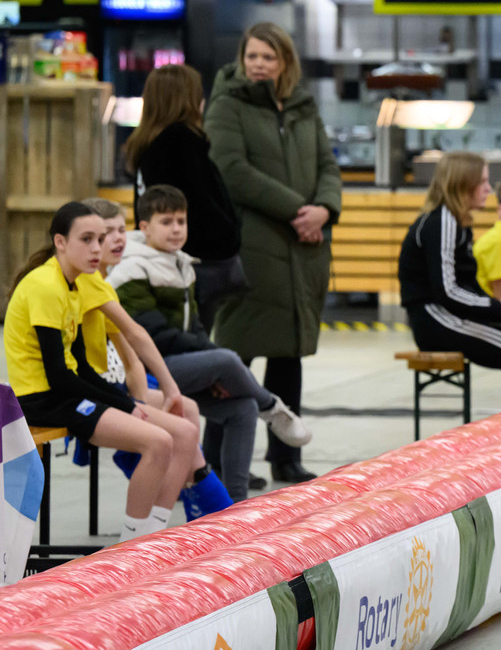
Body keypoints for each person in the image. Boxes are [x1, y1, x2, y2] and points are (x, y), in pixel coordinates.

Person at [4, 202, 200, 542]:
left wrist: (127, 401)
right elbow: (59, 377)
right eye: (87, 239)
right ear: (61, 242)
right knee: (158, 441)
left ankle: (154, 538)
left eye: (101, 238)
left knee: (182, 433)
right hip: (41, 400)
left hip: (67, 394)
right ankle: (133, 546)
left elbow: (81, 369)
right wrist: (126, 406)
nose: (97, 248)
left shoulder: (75, 286)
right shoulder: (46, 286)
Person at [107, 185, 312, 502]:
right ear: (144, 227)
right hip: (145, 373)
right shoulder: (132, 268)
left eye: (181, 221)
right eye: (167, 222)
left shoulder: (183, 264)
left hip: (178, 368)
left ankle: (235, 503)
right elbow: (156, 336)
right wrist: (212, 363)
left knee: (241, 407)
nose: (176, 229)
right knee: (228, 360)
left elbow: (196, 329)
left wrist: (209, 365)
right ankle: (271, 407)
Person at [205, 21, 341, 484]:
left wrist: (324, 209)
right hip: (255, 247)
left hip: (303, 249)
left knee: (289, 354)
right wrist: (297, 210)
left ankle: (285, 456)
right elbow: (230, 169)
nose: (259, 65)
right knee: (235, 357)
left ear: (285, 62)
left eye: (268, 57)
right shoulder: (228, 104)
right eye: (252, 56)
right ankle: (218, 459)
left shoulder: (303, 107)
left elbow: (327, 163)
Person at [81, 197, 232, 519]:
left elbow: (132, 353)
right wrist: (136, 405)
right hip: (89, 393)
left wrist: (156, 393)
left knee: (188, 408)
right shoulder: (88, 283)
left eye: (122, 230)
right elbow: (138, 339)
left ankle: (200, 512)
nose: (118, 239)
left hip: (117, 384)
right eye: (106, 233)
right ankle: (175, 524)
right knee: (182, 429)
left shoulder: (102, 282)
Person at [397, 152, 501, 409]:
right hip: (437, 320)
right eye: (483, 182)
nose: (488, 189)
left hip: (454, 315)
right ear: (462, 184)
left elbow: (467, 285)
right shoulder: (441, 221)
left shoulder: (459, 222)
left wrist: (499, 315)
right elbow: (448, 290)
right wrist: (498, 309)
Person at [124, 64, 245, 335]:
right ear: (186, 98)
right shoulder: (181, 142)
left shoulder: (146, 143)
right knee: (194, 346)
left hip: (163, 260)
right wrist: (230, 236)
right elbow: (201, 204)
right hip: (195, 264)